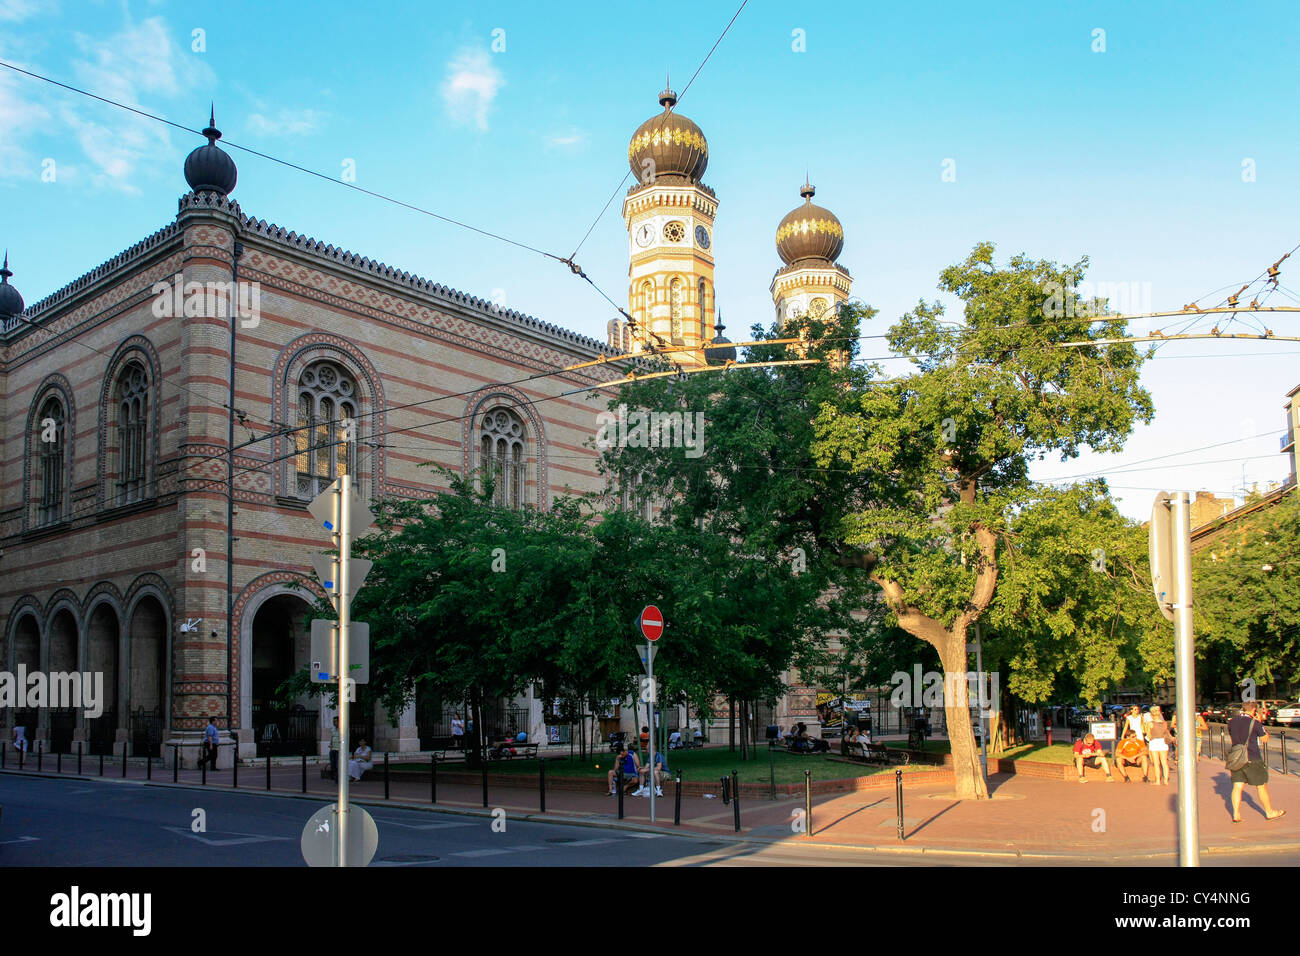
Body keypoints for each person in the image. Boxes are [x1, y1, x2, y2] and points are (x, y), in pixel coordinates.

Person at [1227, 701, 1286, 822]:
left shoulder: (1231, 722)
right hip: (1252, 757)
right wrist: (1260, 722)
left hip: (1236, 758)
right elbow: (1265, 739)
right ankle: (1269, 812)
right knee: (1261, 786)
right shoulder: (1254, 722)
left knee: (1237, 786)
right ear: (1254, 710)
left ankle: (1236, 814)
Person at [1146, 706, 1172, 784]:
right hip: (1163, 742)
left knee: (1156, 763)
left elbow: (1149, 735)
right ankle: (1166, 780)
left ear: (1151, 714)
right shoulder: (1164, 723)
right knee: (1164, 762)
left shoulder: (1149, 723)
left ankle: (1157, 781)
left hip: (1154, 742)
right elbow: (1166, 733)